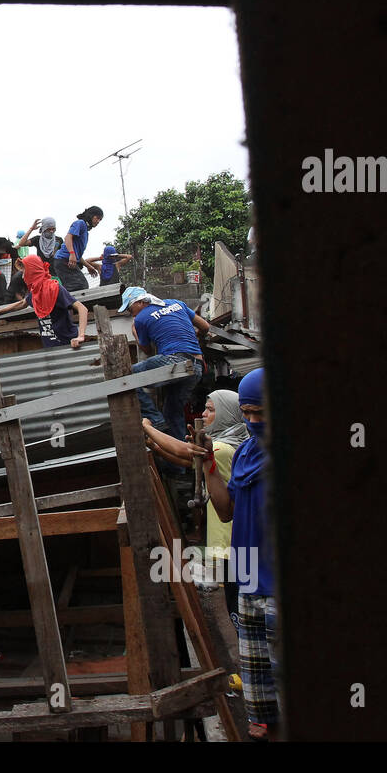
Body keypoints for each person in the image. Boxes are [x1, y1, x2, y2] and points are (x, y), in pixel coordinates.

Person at [203, 369, 278, 740]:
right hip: (248, 576)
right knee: (255, 664)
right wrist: (208, 468)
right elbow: (226, 510)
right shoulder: (248, 451)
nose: (252, 422)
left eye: (260, 414)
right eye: (246, 413)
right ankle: (264, 718)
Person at [141, 390, 247, 620]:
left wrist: (147, 426)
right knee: (236, 601)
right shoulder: (231, 442)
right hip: (231, 537)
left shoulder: (221, 448)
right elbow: (186, 460)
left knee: (238, 606)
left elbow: (184, 451)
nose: (204, 414)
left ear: (227, 414)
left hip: (232, 539)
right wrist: (157, 447)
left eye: (211, 409)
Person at [119, 286, 210, 441]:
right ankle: (181, 462)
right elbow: (205, 327)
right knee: (173, 413)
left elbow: (147, 350)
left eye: (130, 308)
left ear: (140, 302)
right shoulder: (176, 303)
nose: (130, 313)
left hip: (175, 361)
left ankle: (155, 419)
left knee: (126, 376)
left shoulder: (140, 319)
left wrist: (135, 332)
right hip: (197, 366)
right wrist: (193, 336)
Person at [0, 255, 87, 348]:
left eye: (25, 272)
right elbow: (22, 303)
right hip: (50, 346)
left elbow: (82, 308)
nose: (22, 276)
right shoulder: (35, 292)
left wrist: (81, 336)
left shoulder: (54, 288)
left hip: (67, 343)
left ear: (33, 271)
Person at [52, 206, 104, 291]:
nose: (98, 221)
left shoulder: (86, 232)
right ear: (91, 216)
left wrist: (88, 266)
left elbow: (78, 256)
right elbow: (68, 237)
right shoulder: (80, 223)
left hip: (67, 260)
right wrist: (72, 254)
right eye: (97, 218)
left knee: (78, 286)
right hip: (63, 260)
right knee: (79, 285)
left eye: (100, 220)